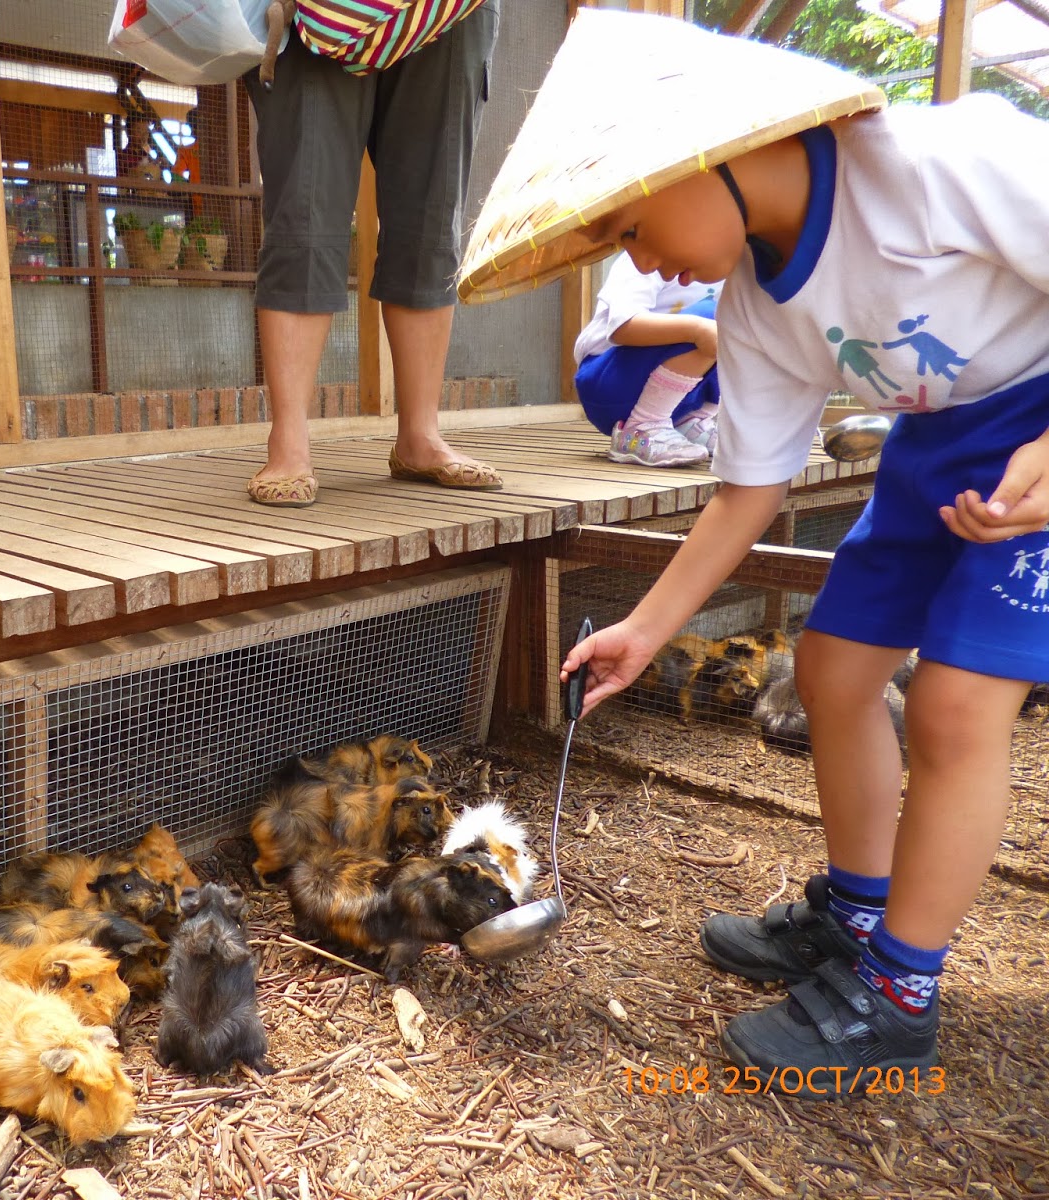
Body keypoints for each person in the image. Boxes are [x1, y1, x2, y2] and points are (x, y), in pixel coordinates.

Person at [460, 11, 1049, 1092]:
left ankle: (898, 995)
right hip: (932, 456)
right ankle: (858, 918)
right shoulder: (756, 307)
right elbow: (749, 492)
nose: (640, 260)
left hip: (1038, 439)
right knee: (831, 673)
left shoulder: (940, 165)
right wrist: (644, 630)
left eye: (632, 224)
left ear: (706, 151)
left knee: (955, 707)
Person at [244, 2, 504, 507]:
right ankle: (289, 441)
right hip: (317, 11)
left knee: (431, 214)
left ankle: (420, 435)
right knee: (306, 205)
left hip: (450, 10)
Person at [573, 254, 723, 468]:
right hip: (609, 384)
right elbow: (622, 327)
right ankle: (643, 424)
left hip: (682, 401)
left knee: (742, 320)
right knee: (712, 317)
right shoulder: (648, 253)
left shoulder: (734, 267)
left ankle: (690, 422)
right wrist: (697, 330)